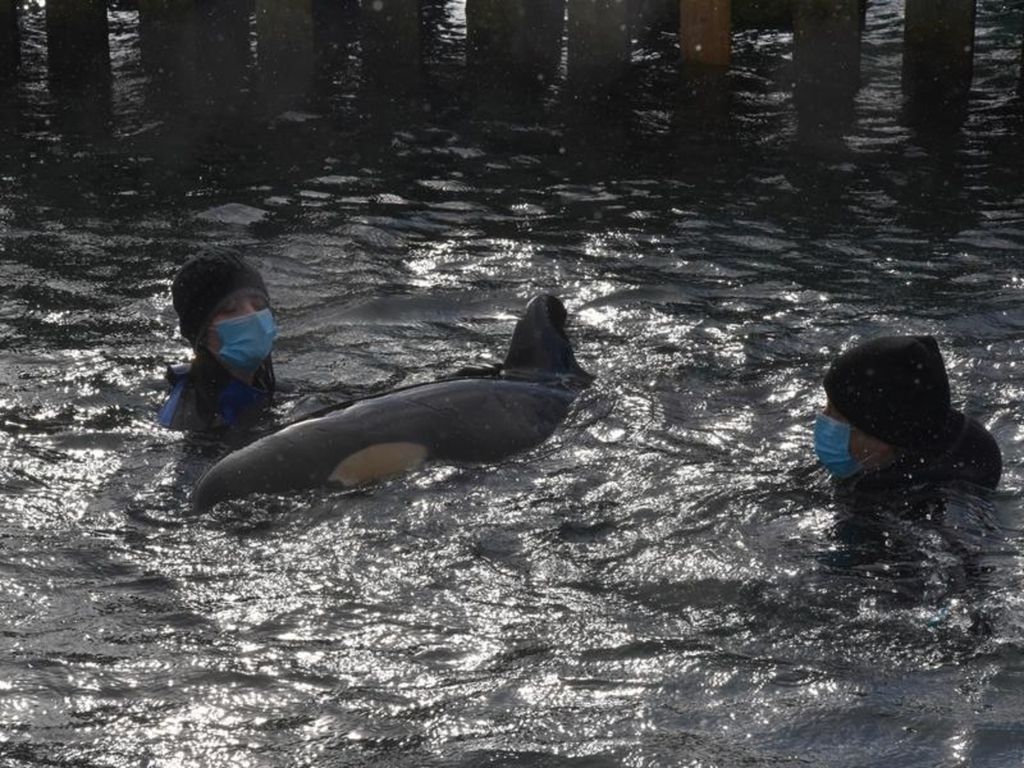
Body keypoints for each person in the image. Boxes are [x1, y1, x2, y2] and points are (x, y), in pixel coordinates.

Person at [813, 335, 1002, 491]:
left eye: (838, 417)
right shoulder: (926, 431)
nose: (823, 419)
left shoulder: (917, 516)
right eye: (827, 405)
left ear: (882, 442)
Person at [158, 253, 278, 431]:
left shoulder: (274, 389)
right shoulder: (187, 422)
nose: (252, 316)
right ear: (203, 334)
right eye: (229, 309)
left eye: (259, 305)